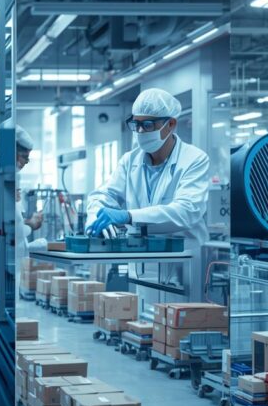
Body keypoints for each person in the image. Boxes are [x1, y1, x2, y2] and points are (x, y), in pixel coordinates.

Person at [85, 88, 210, 299]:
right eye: (136, 124)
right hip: (143, 267)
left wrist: (129, 216)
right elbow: (102, 195)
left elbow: (188, 211)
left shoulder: (194, 159)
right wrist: (95, 216)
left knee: (181, 326)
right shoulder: (129, 161)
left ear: (170, 124)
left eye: (148, 125)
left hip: (184, 263)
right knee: (145, 325)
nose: (140, 132)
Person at [16, 126, 47, 253]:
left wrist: (27, 221)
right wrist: (31, 224)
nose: (27, 161)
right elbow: (10, 232)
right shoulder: (2, 183)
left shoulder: (12, 178)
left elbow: (14, 223)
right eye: (24, 156)